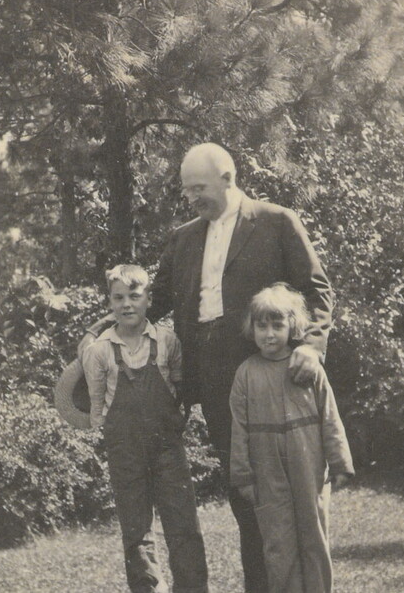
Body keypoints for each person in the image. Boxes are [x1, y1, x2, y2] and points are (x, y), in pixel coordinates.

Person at [83, 142, 334, 592]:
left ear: (227, 178)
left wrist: (312, 346)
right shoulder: (183, 238)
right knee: (243, 494)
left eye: (198, 187)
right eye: (186, 190)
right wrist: (100, 328)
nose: (190, 198)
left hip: (272, 380)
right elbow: (153, 302)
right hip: (213, 384)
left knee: (285, 496)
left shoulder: (276, 222)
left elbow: (318, 291)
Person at [81, 264, 208, 593]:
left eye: (134, 296)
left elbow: (179, 389)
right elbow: (97, 405)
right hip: (125, 449)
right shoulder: (100, 351)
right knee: (136, 530)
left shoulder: (167, 341)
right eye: (118, 297)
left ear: (148, 299)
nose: (126, 304)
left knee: (183, 523)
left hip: (167, 446)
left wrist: (176, 423)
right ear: (109, 303)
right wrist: (108, 433)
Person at [229, 284, 354, 593]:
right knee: (278, 543)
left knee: (314, 535)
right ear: (252, 327)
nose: (269, 334)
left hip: (307, 459)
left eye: (277, 325)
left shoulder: (307, 366)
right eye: (262, 325)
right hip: (266, 466)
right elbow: (239, 429)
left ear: (292, 326)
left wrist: (339, 462)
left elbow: (329, 416)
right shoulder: (246, 373)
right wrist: (243, 475)